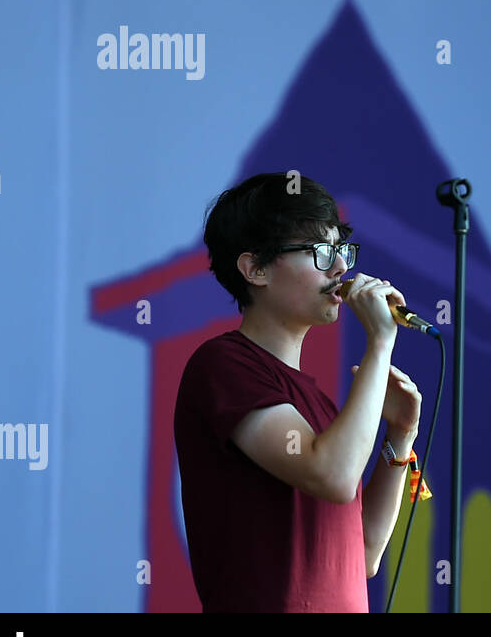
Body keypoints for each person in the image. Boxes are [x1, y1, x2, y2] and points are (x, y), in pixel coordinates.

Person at [173, 172, 422, 612]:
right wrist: (381, 343)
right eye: (321, 253)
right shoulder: (223, 366)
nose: (342, 269)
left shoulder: (320, 412)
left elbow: (363, 553)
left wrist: (399, 435)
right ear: (256, 269)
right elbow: (333, 475)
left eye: (341, 251)